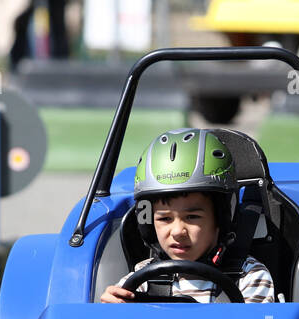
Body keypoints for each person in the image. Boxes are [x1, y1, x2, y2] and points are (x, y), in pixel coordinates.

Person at [101, 130, 276, 304]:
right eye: (165, 218)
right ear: (148, 222)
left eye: (192, 217)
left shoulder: (250, 278)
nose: (177, 231)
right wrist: (112, 310)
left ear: (222, 219)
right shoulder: (142, 278)